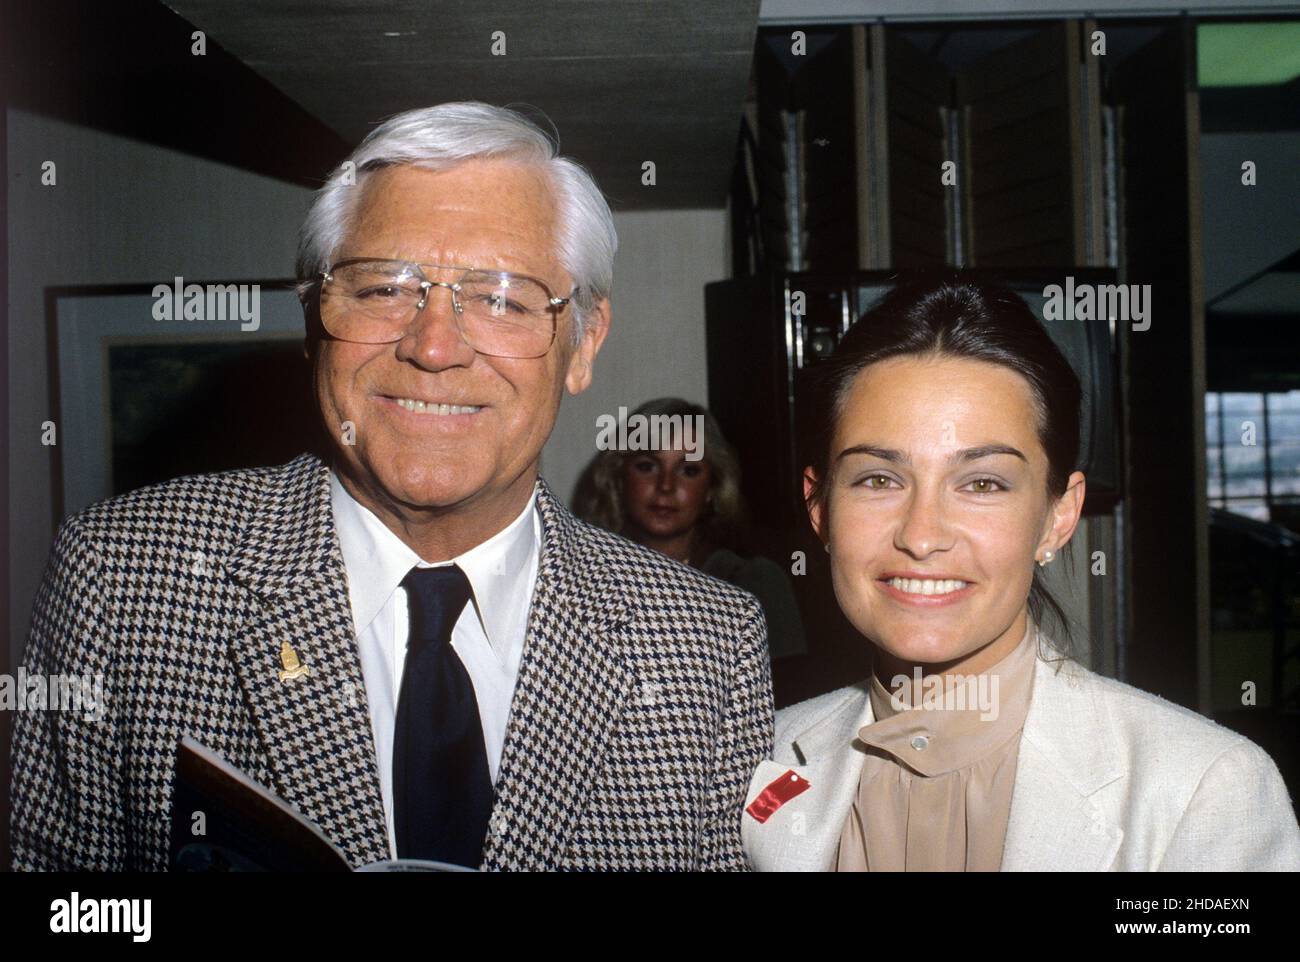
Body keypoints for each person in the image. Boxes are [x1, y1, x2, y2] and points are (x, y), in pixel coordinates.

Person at [11, 102, 773, 871]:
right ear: (314, 316)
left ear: (583, 343)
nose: (434, 346)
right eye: (381, 289)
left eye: (502, 298)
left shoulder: (706, 644)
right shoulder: (126, 579)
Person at [741, 276, 1300, 871]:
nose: (922, 535)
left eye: (983, 483)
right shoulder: (754, 765)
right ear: (820, 508)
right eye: (878, 479)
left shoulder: (1200, 790)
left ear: (1059, 517)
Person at [574, 397, 806, 659]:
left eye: (688, 470)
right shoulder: (580, 584)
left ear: (712, 488)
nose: (665, 486)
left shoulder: (754, 584)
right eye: (647, 466)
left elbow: (789, 693)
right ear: (619, 477)